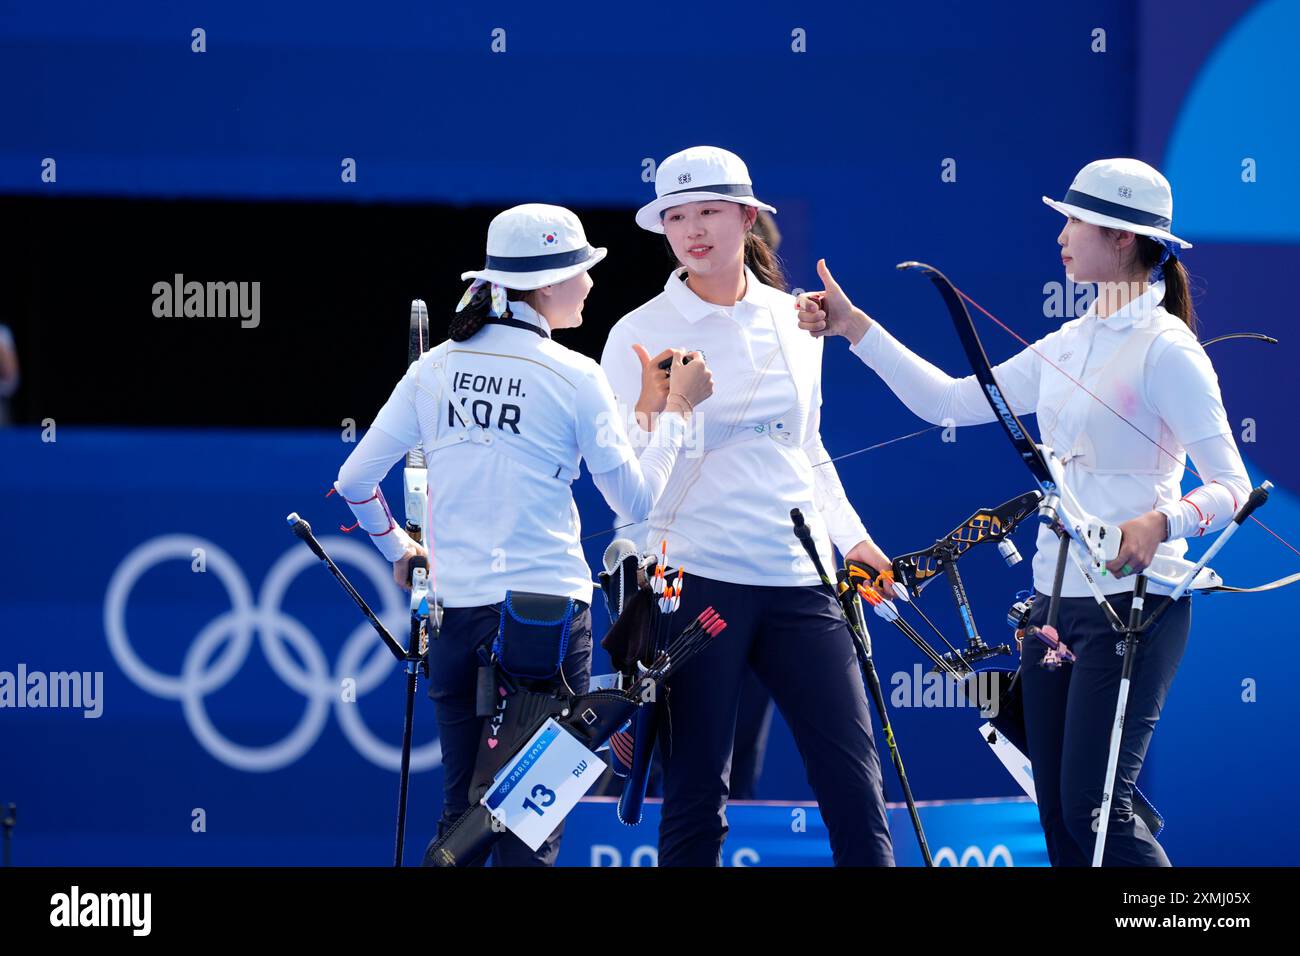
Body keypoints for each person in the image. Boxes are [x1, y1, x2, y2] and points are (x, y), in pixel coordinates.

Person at [796, 158, 1251, 866]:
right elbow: (950, 401)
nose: (1062, 234)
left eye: (1075, 221)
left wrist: (1160, 524)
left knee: (1099, 814)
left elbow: (1231, 483)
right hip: (1051, 612)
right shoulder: (1072, 342)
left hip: (1135, 607)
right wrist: (856, 329)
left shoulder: (1169, 350)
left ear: (1123, 238)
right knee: (1061, 824)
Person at [335, 203, 713, 865]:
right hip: (546, 625)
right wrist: (676, 414)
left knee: (463, 823)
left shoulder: (435, 369)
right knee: (527, 831)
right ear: (545, 286)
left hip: (458, 623)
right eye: (582, 270)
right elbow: (638, 502)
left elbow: (355, 480)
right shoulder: (575, 374)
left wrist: (400, 549)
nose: (593, 282)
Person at [601, 146, 896, 866]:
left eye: (709, 212)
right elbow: (627, 484)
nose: (694, 230)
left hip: (801, 580)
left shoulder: (796, 321)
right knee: (697, 791)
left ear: (746, 218)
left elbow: (807, 448)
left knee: (855, 785)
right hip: (692, 581)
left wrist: (853, 539)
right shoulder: (634, 334)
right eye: (677, 216)